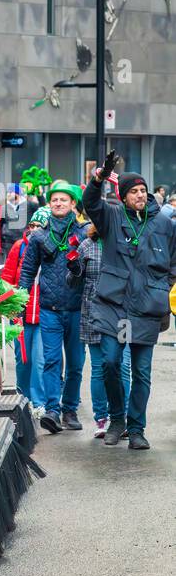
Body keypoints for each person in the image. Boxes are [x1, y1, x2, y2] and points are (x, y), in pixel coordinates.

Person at [82, 157, 176, 449]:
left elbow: (174, 262)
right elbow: (90, 202)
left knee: (142, 371)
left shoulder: (164, 223)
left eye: (143, 190)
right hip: (116, 308)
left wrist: (163, 287)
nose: (140, 195)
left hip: (147, 309)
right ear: (123, 197)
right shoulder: (112, 217)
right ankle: (117, 418)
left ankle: (137, 429)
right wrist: (99, 179)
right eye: (134, 191)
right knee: (110, 361)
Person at [18, 180, 87, 433]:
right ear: (50, 204)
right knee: (51, 361)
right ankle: (52, 411)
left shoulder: (82, 234)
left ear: (72, 204)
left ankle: (70, 409)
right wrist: (21, 300)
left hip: (78, 309)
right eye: (55, 200)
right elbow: (27, 271)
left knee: (77, 363)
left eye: (64, 199)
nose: (58, 203)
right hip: (49, 309)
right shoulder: (39, 236)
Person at [73, 223, 131, 438]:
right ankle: (102, 418)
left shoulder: (127, 246)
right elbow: (72, 282)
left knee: (123, 366)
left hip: (123, 316)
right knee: (99, 368)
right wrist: (74, 272)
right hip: (93, 315)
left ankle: (123, 417)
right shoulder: (87, 246)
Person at [3, 209, 46, 415]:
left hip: (44, 316)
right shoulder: (19, 248)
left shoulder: (52, 249)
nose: (35, 230)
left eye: (40, 226)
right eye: (32, 226)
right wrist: (9, 306)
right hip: (20, 315)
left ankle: (38, 402)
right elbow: (7, 280)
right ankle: (23, 398)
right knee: (23, 360)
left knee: (39, 361)